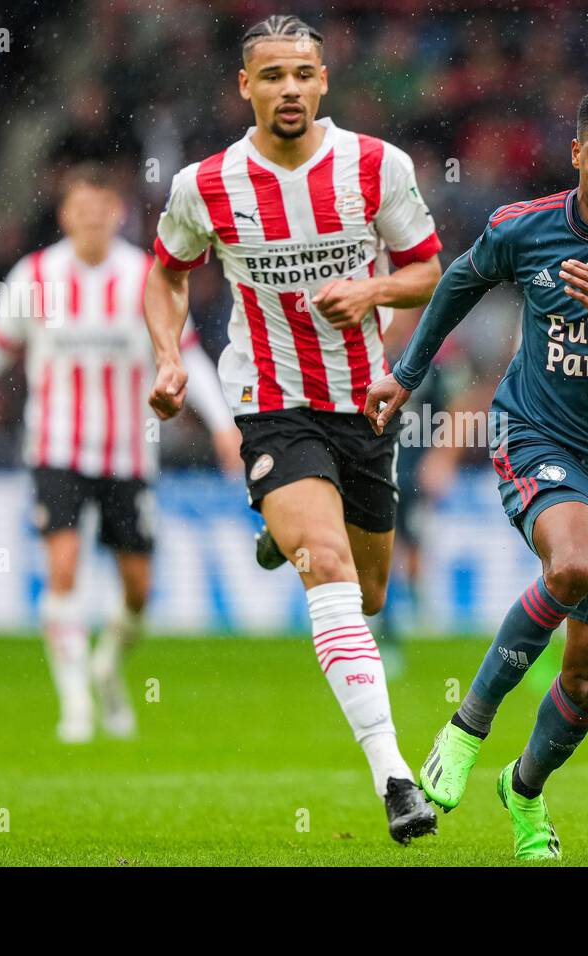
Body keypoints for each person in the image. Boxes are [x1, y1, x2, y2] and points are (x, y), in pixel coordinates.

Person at [366, 85, 588, 859]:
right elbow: (458, 280)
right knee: (572, 563)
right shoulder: (524, 228)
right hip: (538, 434)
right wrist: (406, 372)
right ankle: (467, 728)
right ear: (577, 156)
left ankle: (522, 792)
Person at [142, 14, 443, 844]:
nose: (289, 89)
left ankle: (282, 531)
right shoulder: (204, 185)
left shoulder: (378, 168)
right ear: (245, 86)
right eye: (271, 75)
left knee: (369, 593)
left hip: (364, 404)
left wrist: (374, 295)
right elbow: (163, 275)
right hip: (269, 403)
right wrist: (169, 356)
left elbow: (429, 270)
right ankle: (394, 778)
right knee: (329, 562)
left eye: (302, 73)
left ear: (323, 81)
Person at [0, 163, 242, 743]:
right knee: (63, 568)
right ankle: (74, 704)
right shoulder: (36, 275)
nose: (92, 220)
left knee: (138, 591)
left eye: (102, 210)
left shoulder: (147, 275)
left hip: (128, 454)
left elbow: (188, 356)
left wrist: (223, 425)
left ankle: (108, 670)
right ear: (66, 215)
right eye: (81, 211)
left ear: (117, 213)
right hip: (55, 447)